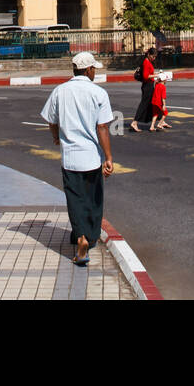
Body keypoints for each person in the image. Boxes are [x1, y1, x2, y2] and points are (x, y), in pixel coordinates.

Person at [40, 51, 115, 266]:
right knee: (93, 199)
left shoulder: (60, 91)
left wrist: (56, 137)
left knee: (75, 200)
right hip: (91, 158)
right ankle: (89, 237)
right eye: (94, 69)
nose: (95, 73)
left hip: (70, 158)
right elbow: (102, 128)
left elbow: (52, 121)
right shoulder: (98, 93)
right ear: (89, 69)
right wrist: (108, 157)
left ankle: (80, 237)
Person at [130, 46, 157, 132]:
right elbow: (146, 76)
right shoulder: (146, 62)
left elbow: (149, 73)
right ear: (149, 54)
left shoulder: (148, 61)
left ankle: (157, 122)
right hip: (147, 86)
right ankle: (134, 122)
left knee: (151, 104)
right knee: (144, 104)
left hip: (149, 85)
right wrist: (156, 75)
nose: (154, 58)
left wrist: (155, 74)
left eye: (155, 57)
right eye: (153, 56)